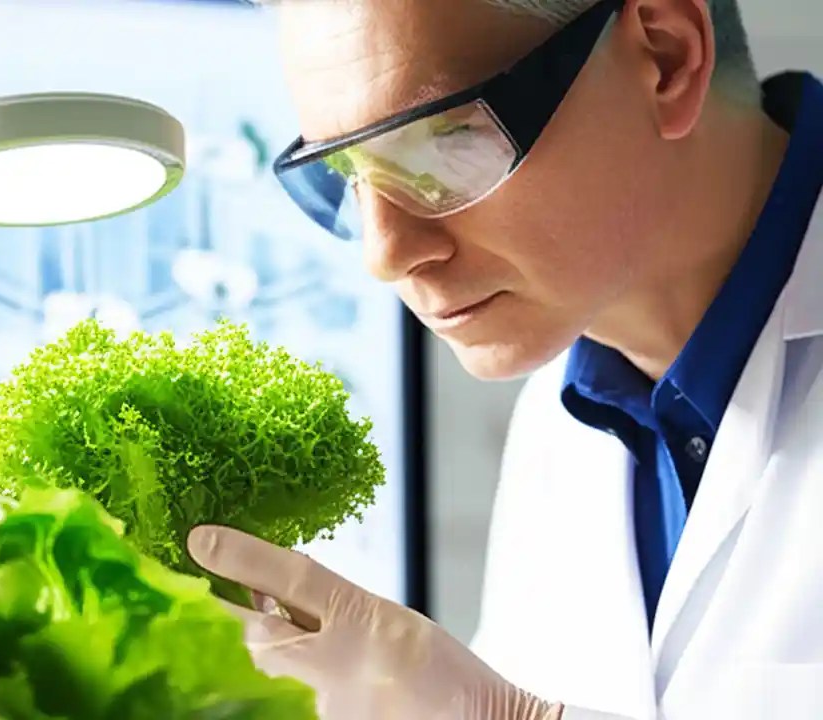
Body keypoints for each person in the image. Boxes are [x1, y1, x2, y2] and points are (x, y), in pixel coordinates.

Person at [185, 0, 823, 718]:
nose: (385, 254)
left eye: (439, 145)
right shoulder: (563, 417)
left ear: (666, 58)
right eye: (342, 176)